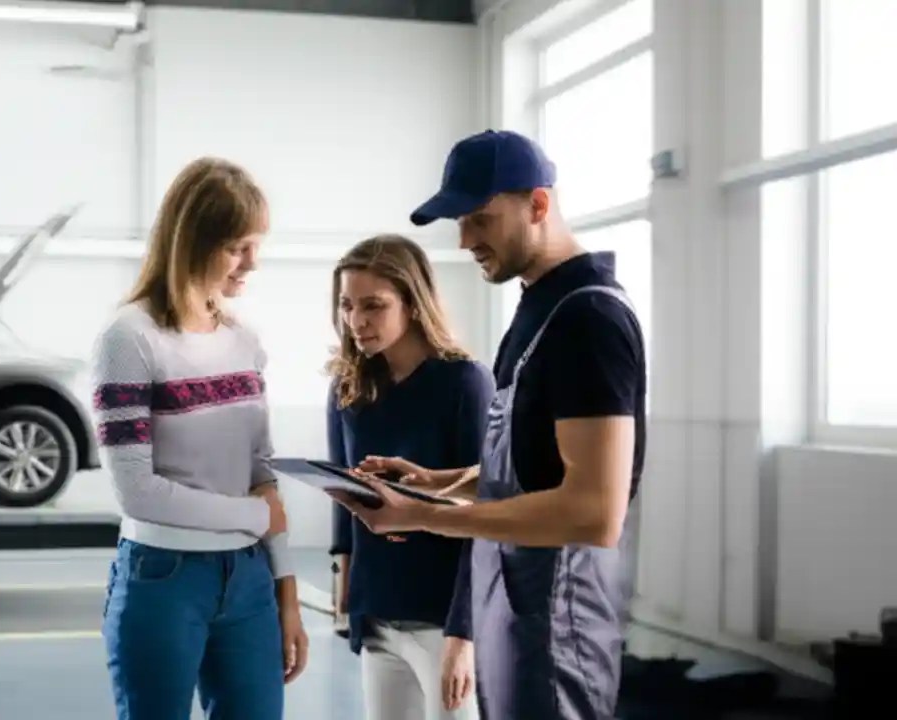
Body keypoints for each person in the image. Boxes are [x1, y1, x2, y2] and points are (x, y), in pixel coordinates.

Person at [332, 129, 647, 720]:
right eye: (459, 221)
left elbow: (595, 512)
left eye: (481, 219)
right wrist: (435, 481)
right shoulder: (537, 311)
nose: (466, 239)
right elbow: (529, 469)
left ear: (538, 205)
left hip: (560, 623)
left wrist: (421, 515)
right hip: (515, 608)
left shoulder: (590, 319)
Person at [91, 156, 308, 720]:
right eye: (239, 246)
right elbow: (138, 491)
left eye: (256, 245)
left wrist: (287, 593)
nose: (253, 263)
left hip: (250, 583)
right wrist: (256, 519)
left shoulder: (245, 342)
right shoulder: (129, 339)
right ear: (193, 241)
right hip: (162, 580)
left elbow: (263, 474)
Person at [326, 235, 494, 720]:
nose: (356, 321)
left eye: (374, 306)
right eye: (347, 305)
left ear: (414, 304)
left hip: (443, 621)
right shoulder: (348, 385)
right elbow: (345, 495)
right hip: (378, 614)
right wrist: (347, 584)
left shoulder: (466, 383)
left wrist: (464, 634)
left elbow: (486, 515)